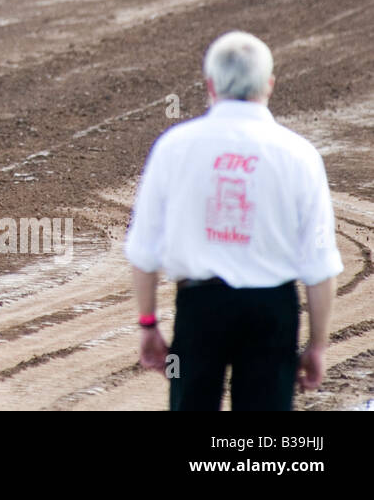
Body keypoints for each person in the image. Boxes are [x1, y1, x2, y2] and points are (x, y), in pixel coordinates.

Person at [125, 31, 341, 411]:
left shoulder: (174, 145)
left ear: (210, 86)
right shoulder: (299, 154)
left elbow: (143, 251)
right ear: (269, 85)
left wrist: (148, 324)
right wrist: (318, 346)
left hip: (199, 310)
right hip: (271, 312)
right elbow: (320, 266)